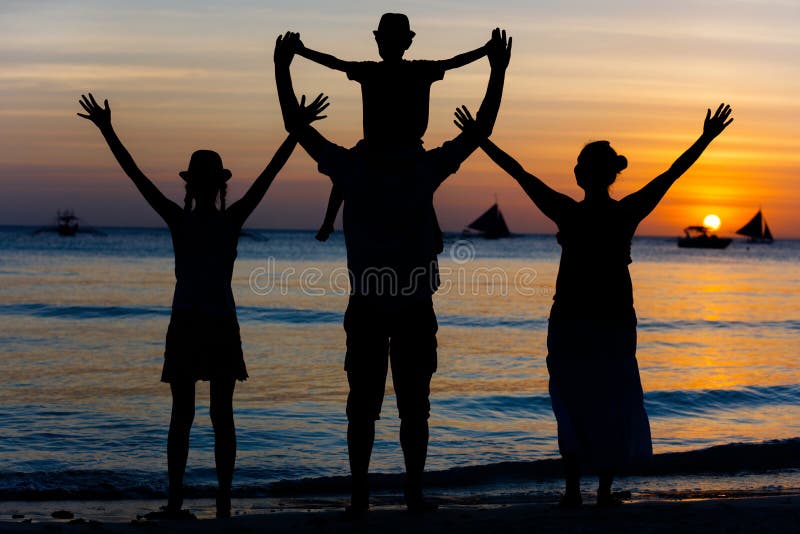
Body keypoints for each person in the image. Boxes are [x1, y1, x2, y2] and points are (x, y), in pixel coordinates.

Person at [274, 29, 511, 514]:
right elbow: (480, 130)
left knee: (375, 405)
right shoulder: (413, 168)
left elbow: (297, 127)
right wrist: (496, 71)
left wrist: (283, 67)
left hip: (381, 303)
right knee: (403, 405)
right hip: (403, 303)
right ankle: (400, 494)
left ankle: (370, 496)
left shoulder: (362, 167)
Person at [455, 103, 733, 506]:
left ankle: (575, 491)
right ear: (611, 175)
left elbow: (519, 173)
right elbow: (671, 173)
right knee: (610, 400)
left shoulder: (569, 212)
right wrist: (704, 139)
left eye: (579, 166)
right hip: (610, 321)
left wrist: (481, 140)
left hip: (575, 320)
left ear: (583, 175)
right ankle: (601, 491)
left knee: (573, 401)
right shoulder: (624, 212)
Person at [77, 92, 328, 519]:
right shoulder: (226, 220)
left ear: (191, 186)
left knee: (185, 415)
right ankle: (221, 499)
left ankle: (180, 498)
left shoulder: (184, 219)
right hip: (217, 324)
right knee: (219, 416)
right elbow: (269, 174)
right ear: (219, 186)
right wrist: (298, 130)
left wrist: (108, 131)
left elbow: (137, 176)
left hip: (190, 324)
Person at [291, 13, 493, 242]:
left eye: (388, 40)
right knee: (413, 180)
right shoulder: (398, 71)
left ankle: (329, 223)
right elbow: (455, 61)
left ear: (406, 43)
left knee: (346, 173)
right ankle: (329, 223)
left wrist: (301, 51)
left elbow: (335, 63)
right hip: (384, 149)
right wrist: (486, 52)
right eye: (383, 40)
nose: (384, 45)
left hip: (398, 149)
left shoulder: (397, 71)